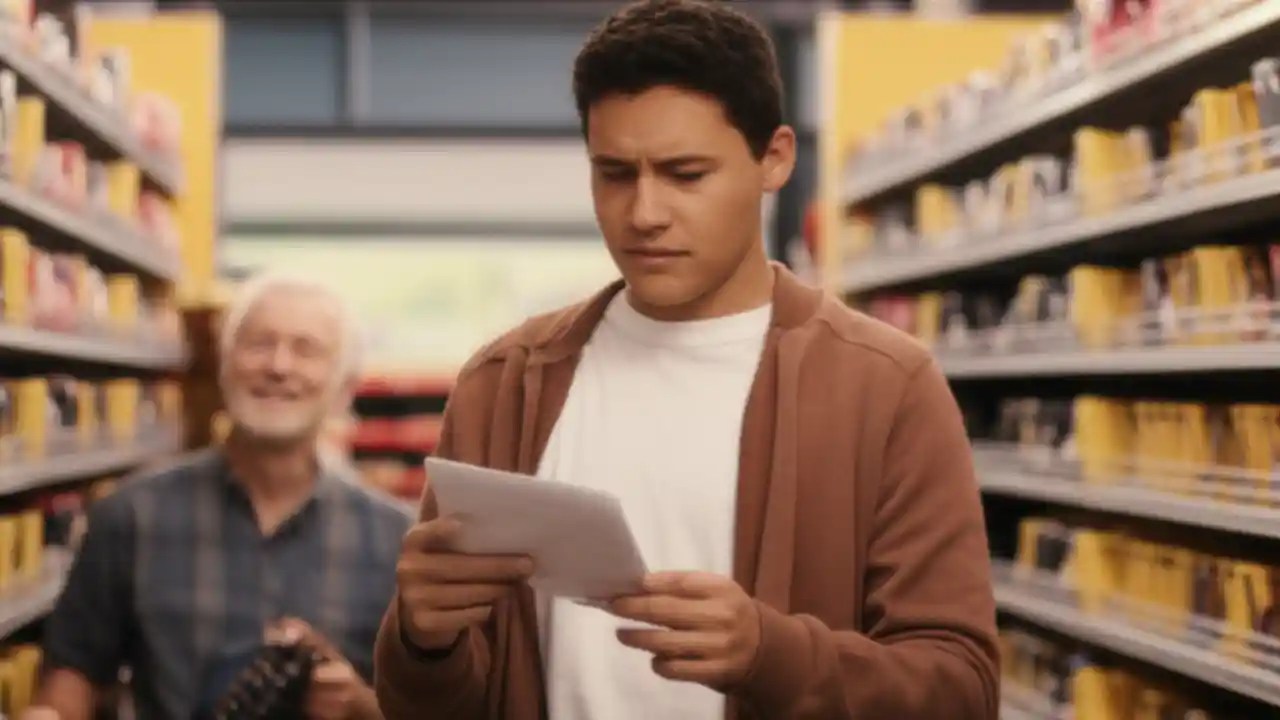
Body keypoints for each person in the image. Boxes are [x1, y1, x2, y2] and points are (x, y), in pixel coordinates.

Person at [375, 1, 998, 718]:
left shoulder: (885, 387)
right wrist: (422, 640)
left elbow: (960, 689)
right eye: (614, 174)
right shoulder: (505, 385)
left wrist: (772, 654)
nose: (643, 213)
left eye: (685, 174)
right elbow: (437, 704)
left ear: (775, 159)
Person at [29, 275, 412, 720]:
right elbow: (72, 680)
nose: (279, 366)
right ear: (224, 364)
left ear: (345, 386)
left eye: (307, 349)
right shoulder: (131, 516)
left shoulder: (397, 540)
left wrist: (360, 707)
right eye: (259, 343)